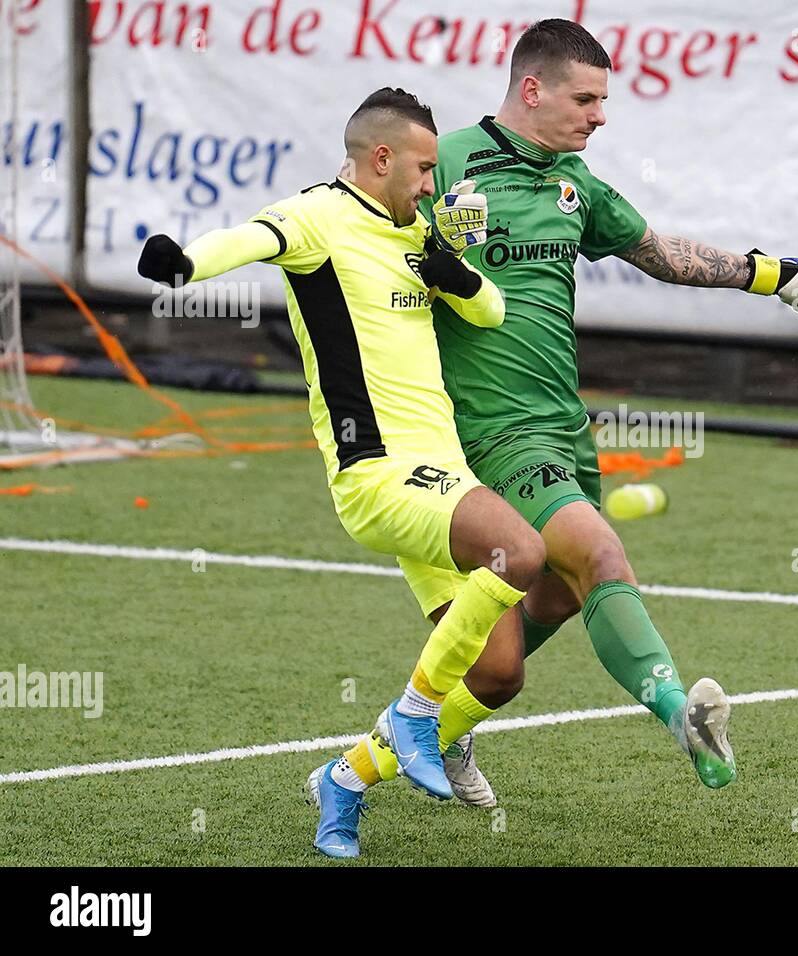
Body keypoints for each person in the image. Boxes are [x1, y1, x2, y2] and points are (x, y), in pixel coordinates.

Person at [359, 19, 798, 807]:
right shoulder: (442, 161)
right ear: (532, 89)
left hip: (564, 426)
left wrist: (773, 275)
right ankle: (678, 711)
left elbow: (657, 251)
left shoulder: (572, 185)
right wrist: (422, 253)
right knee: (601, 557)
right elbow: (353, 230)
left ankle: (432, 727)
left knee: (532, 625)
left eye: (604, 100)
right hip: (488, 434)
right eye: (585, 98)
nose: (600, 115)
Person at [137, 88, 545, 858]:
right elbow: (246, 239)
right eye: (424, 169)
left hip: (441, 473)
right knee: (520, 554)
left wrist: (453, 276)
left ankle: (347, 780)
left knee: (497, 674)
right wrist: (186, 264)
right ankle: (416, 717)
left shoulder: (418, 229)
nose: (432, 184)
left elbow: (491, 312)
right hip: (378, 472)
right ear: (381, 158)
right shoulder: (318, 217)